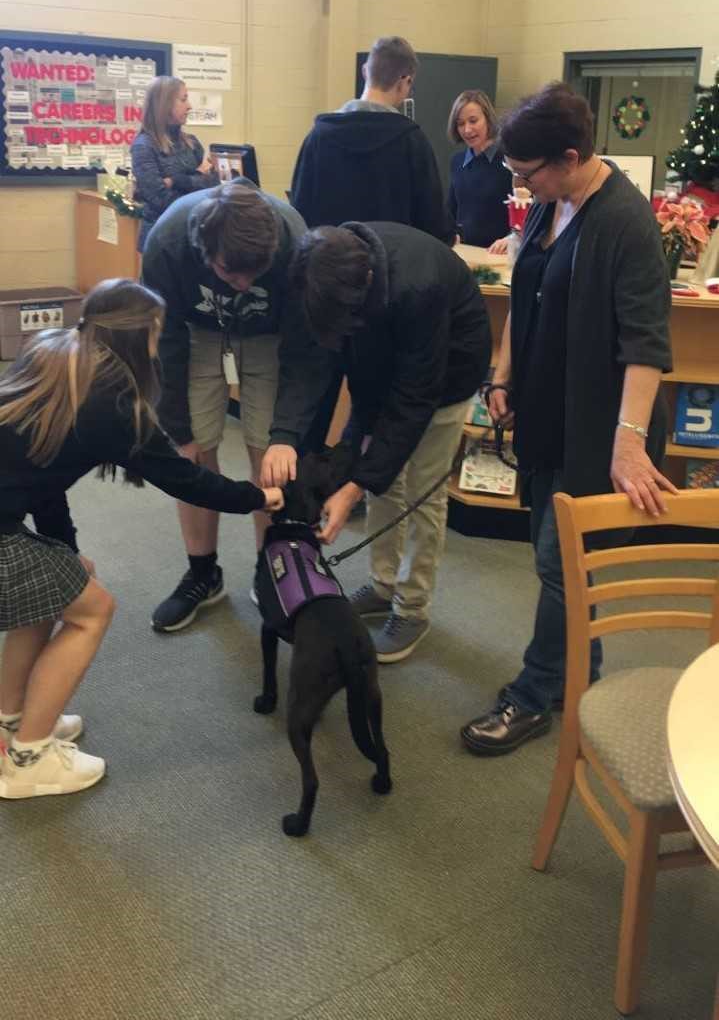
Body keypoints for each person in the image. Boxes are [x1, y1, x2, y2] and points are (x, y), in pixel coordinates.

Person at [0, 279, 283, 799]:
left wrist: (63, 549)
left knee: (53, 586)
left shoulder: (51, 351)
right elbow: (184, 479)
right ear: (136, 336)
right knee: (94, 609)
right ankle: (28, 760)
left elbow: (40, 474)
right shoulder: (113, 400)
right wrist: (257, 498)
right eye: (156, 332)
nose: (160, 343)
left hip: (5, 520)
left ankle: (9, 727)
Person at [460, 82, 676, 757]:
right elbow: (522, 300)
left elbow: (645, 343)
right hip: (547, 412)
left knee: (561, 562)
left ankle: (536, 692)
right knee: (556, 559)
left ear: (571, 155)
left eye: (528, 173)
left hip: (599, 423)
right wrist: (502, 373)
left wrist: (629, 445)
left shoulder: (623, 221)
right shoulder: (545, 209)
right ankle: (583, 676)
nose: (521, 186)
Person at [291, 221, 492, 663]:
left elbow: (414, 399)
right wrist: (348, 466)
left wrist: (353, 487)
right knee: (383, 479)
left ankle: (412, 607)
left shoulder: (418, 286)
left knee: (423, 493)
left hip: (447, 375)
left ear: (359, 297)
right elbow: (360, 383)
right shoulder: (327, 271)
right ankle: (384, 584)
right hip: (391, 363)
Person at [141, 180, 332, 632]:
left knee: (269, 456)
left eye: (255, 273)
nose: (244, 284)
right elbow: (161, 340)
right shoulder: (167, 242)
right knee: (195, 455)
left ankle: (271, 575)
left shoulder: (295, 243)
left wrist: (286, 437)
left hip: (271, 338)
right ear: (204, 249)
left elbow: (308, 349)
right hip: (197, 333)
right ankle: (203, 574)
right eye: (231, 273)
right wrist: (178, 431)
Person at [290, 36, 450, 242]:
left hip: (330, 268)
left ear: (365, 71)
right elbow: (432, 224)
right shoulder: (412, 142)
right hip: (392, 268)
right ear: (406, 81)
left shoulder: (318, 138)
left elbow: (299, 215)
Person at [131, 76, 217, 252]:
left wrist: (177, 181)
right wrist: (198, 177)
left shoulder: (191, 142)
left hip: (192, 236)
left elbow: (212, 186)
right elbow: (161, 200)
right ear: (165, 104)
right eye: (183, 99)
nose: (190, 106)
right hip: (160, 238)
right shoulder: (143, 146)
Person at [446, 89, 512, 253]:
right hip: (464, 252)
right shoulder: (457, 161)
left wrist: (511, 239)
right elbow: (450, 211)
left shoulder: (510, 161)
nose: (467, 130)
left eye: (473, 121)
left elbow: (528, 212)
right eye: (460, 123)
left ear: (488, 119)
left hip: (498, 254)